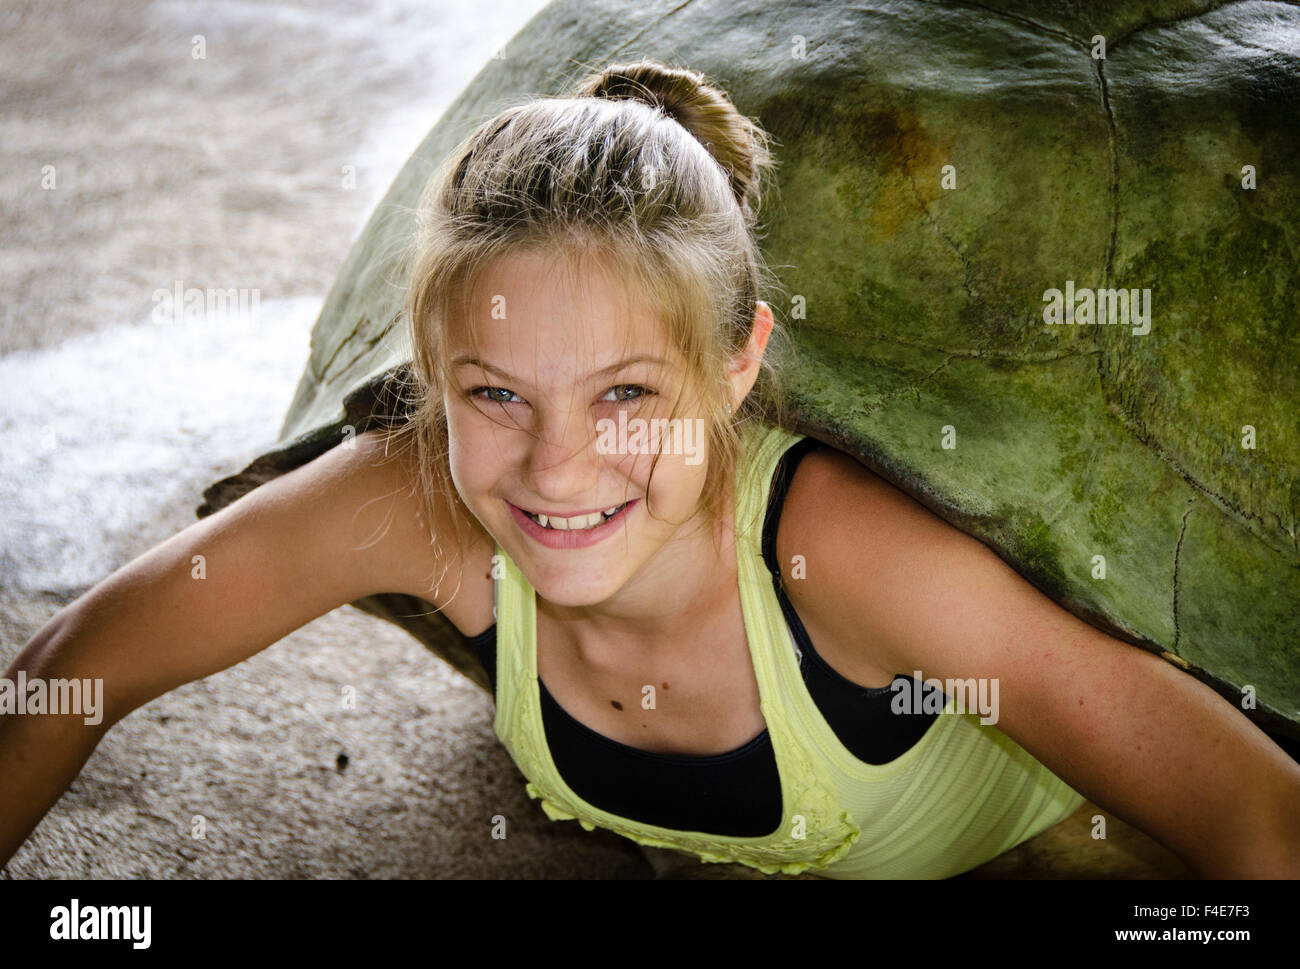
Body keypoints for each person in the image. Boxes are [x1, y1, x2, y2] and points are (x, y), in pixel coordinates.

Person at [2, 59, 1297, 879]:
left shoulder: (846, 559)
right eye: (496, 393)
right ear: (432, 381)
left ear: (739, 366)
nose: (557, 469)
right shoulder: (425, 504)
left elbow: (1259, 819)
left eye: (627, 394)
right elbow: (73, 668)